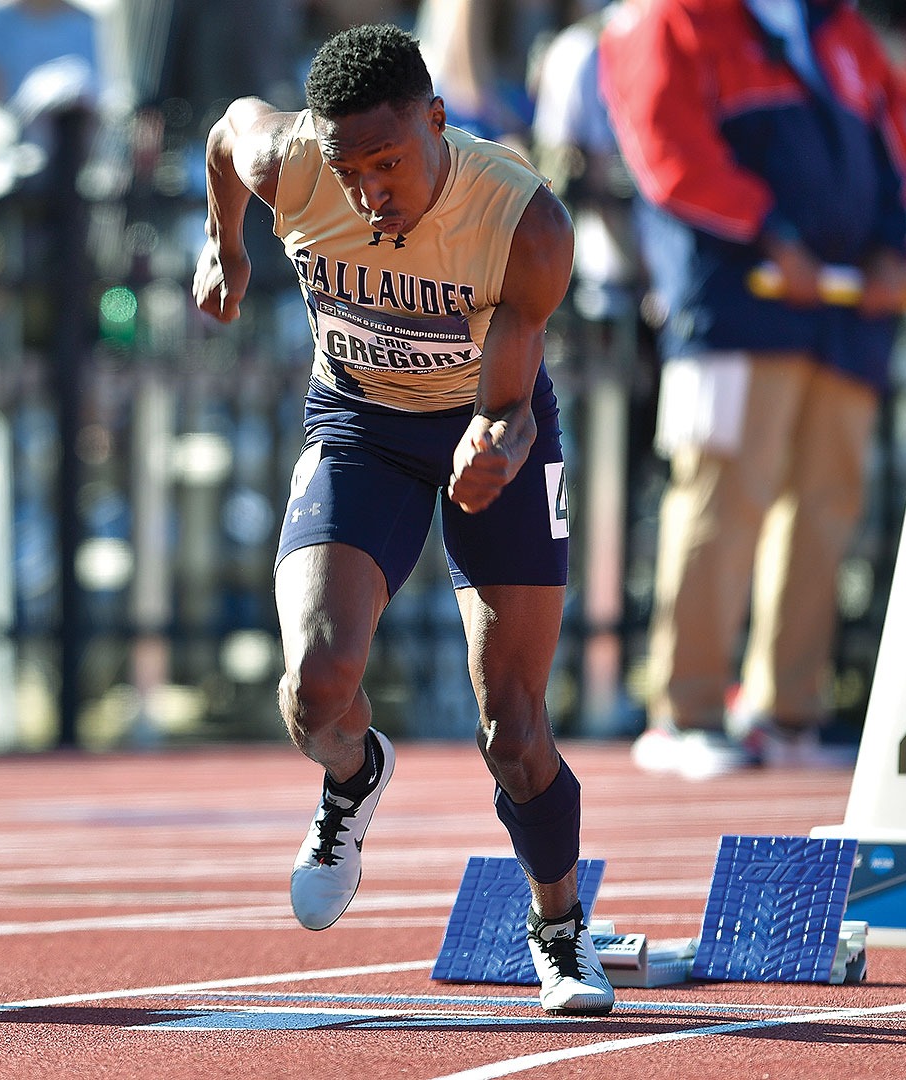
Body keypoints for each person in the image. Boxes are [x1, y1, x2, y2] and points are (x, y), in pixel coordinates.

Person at [193, 24, 613, 1015]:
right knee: (314, 687)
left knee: (512, 728)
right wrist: (225, 248)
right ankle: (353, 777)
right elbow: (221, 136)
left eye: (391, 164)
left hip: (487, 433)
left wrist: (501, 440)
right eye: (353, 172)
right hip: (361, 429)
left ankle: (558, 927)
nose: (373, 192)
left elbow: (510, 402)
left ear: (438, 120)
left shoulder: (524, 221)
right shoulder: (291, 162)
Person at [599, 0, 906, 777]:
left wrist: (901, 248)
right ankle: (683, 713)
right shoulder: (669, 18)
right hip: (734, 304)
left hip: (847, 314)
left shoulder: (844, 29)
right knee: (723, 495)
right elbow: (667, 152)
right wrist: (770, 232)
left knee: (827, 507)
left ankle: (788, 712)